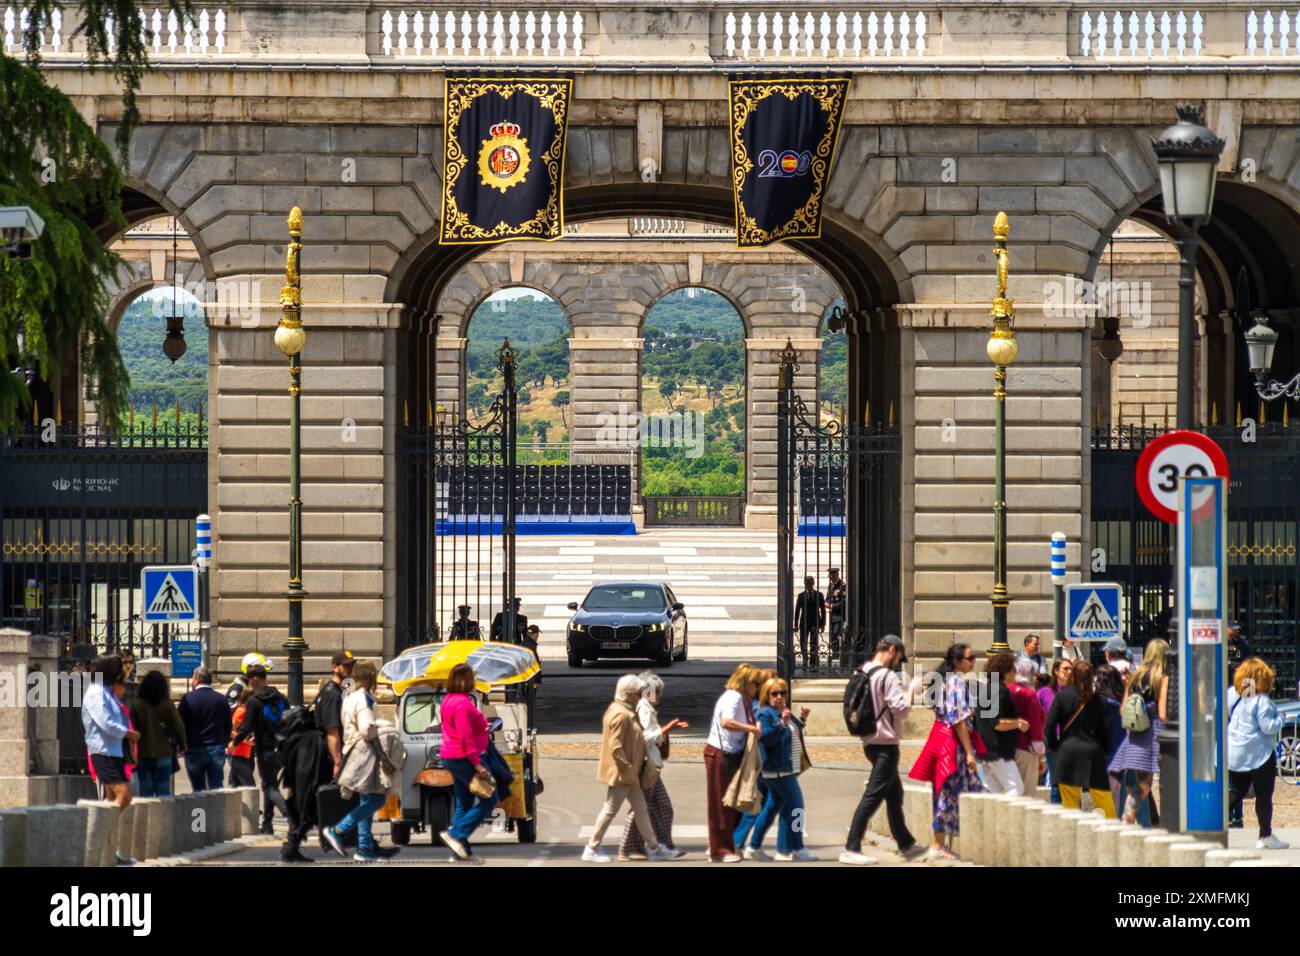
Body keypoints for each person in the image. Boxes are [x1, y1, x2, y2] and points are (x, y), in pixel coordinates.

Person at [842, 635, 925, 865]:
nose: (898, 662)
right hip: (885, 744)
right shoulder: (887, 676)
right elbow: (900, 709)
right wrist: (911, 690)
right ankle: (851, 847)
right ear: (891, 649)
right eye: (898, 656)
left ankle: (906, 843)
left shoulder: (863, 671)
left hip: (869, 741)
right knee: (873, 796)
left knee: (894, 794)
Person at [583, 675, 675, 862]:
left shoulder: (625, 711)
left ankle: (654, 848)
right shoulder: (620, 714)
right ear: (629, 694)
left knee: (641, 810)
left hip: (629, 773)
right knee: (610, 810)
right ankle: (591, 848)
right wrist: (628, 768)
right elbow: (615, 747)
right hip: (623, 773)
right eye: (639, 693)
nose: (642, 696)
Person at [908, 643, 986, 862]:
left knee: (943, 790)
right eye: (970, 658)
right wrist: (970, 753)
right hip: (953, 744)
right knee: (947, 792)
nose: (973, 662)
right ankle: (937, 844)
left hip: (940, 737)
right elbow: (959, 720)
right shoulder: (956, 684)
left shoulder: (944, 681)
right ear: (957, 662)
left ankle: (940, 843)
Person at [322, 660, 402, 862]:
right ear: (370, 677)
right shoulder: (364, 698)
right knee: (376, 799)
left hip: (354, 751)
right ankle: (338, 830)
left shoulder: (349, 697)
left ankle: (365, 848)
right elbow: (367, 728)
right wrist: (385, 728)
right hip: (366, 753)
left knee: (366, 801)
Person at [740, 677, 815, 861]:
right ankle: (797, 847)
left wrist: (802, 719)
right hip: (778, 770)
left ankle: (762, 847)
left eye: (783, 693)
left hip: (785, 768)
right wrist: (781, 724)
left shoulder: (781, 712)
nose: (779, 697)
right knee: (797, 807)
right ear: (767, 695)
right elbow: (766, 738)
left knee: (772, 808)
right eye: (775, 693)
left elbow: (792, 729)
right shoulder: (765, 714)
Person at [438, 663, 507, 862]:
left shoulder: (449, 700)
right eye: (471, 677)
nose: (474, 681)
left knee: (464, 801)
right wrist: (477, 765)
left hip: (452, 755)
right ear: (464, 680)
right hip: (464, 757)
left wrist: (481, 727)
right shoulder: (462, 704)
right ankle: (455, 834)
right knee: (489, 798)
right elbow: (465, 737)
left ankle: (460, 852)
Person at [618, 672, 687, 861]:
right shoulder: (644, 709)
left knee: (660, 807)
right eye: (657, 692)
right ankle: (631, 848)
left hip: (651, 765)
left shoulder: (644, 708)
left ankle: (660, 845)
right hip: (647, 765)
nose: (660, 696)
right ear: (648, 692)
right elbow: (644, 738)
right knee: (643, 808)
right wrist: (666, 729)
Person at [230, 664, 297, 849]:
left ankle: (291, 818)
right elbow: (290, 720)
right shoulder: (281, 698)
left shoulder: (255, 701)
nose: (248, 684)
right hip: (282, 748)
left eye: (249, 679)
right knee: (271, 784)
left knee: (268, 786)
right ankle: (267, 824)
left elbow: (246, 727)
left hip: (265, 749)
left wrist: (233, 743)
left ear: (255, 679)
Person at [704, 662, 763, 863]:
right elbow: (726, 722)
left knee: (732, 802)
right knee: (722, 803)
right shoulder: (734, 697)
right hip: (721, 753)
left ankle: (725, 845)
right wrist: (751, 729)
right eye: (755, 683)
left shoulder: (743, 699)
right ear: (745, 682)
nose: (757, 688)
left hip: (732, 753)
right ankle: (719, 850)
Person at [1228, 658, 1288, 850]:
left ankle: (1210, 821)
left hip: (1237, 751)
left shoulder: (1234, 695)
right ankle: (1265, 834)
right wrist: (1280, 719)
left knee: (1236, 792)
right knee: (1264, 795)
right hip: (1259, 754)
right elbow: (1268, 727)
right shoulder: (1262, 701)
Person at [1108, 639, 1168, 825]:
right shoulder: (1162, 677)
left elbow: (1123, 708)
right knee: (1162, 781)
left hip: (1136, 734)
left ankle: (1127, 818)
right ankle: (1138, 819)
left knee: (1141, 783)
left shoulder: (1135, 675)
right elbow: (1164, 712)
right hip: (1156, 733)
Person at [1045, 660, 1116, 817]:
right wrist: (1103, 751)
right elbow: (1107, 732)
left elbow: (1049, 728)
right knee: (1104, 801)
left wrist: (1056, 747)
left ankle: (1070, 839)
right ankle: (1111, 834)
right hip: (1093, 754)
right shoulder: (1100, 700)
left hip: (1067, 753)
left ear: (1072, 675)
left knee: (1070, 808)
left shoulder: (1061, 697)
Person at [82, 654, 140, 826]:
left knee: (112, 799)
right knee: (124, 795)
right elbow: (105, 722)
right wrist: (128, 733)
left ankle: (108, 843)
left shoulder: (107, 692)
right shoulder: (96, 692)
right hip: (102, 751)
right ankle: (97, 829)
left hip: (114, 751)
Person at [734, 666, 779, 857]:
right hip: (764, 762)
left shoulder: (758, 706)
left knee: (757, 801)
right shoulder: (760, 709)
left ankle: (739, 841)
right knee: (766, 802)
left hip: (762, 761)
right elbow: (765, 736)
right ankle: (748, 843)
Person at [978, 652, 1031, 795]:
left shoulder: (988, 689)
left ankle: (988, 817)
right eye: (1013, 669)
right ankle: (1005, 818)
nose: (1015, 673)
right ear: (1005, 671)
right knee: (1016, 788)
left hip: (987, 749)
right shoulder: (999, 690)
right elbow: (997, 723)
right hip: (999, 750)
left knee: (991, 791)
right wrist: (1018, 723)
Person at [129, 669, 187, 798]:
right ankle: (162, 817)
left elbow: (131, 729)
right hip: (163, 753)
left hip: (143, 754)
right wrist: (182, 745)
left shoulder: (136, 705)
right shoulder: (167, 704)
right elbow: (179, 726)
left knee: (145, 793)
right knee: (164, 793)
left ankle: (147, 818)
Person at [178, 666, 232, 792]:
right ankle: (216, 812)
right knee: (216, 786)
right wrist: (224, 741)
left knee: (198, 788)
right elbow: (227, 724)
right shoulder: (221, 699)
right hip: (216, 746)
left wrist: (181, 744)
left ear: (196, 679)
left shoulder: (188, 698)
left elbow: (180, 723)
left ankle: (200, 811)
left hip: (193, 747)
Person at [1009, 658, 1047, 796]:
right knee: (1027, 794)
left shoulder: (1007, 690)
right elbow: (1035, 726)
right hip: (1026, 749)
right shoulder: (1028, 694)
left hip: (1007, 749)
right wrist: (1041, 756)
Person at [316, 650, 354, 781]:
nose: (349, 669)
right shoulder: (332, 694)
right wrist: (337, 761)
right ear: (335, 667)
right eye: (345, 665)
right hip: (328, 755)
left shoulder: (336, 690)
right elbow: (332, 730)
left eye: (351, 665)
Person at [1039, 657, 1073, 802]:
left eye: (1071, 669)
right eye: (1066, 669)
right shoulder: (1044, 692)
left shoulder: (1075, 692)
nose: (1069, 672)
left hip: (1072, 743)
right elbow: (1038, 717)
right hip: (1053, 743)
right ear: (1055, 671)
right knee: (1056, 782)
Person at [794, 576, 826, 670]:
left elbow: (823, 610)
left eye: (811, 583)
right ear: (805, 584)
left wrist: (823, 624)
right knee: (803, 641)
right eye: (807, 583)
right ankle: (805, 658)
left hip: (815, 622)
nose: (809, 585)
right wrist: (796, 624)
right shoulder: (801, 595)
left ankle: (813, 661)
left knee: (814, 642)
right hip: (804, 622)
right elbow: (797, 611)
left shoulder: (819, 595)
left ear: (814, 583)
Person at [227, 688, 256, 787]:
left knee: (234, 786)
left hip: (244, 754)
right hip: (238, 753)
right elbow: (230, 730)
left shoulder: (248, 711)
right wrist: (246, 741)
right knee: (250, 787)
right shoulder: (241, 711)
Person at [826, 567, 847, 662]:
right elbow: (827, 597)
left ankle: (837, 652)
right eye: (830, 577)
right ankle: (835, 652)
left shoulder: (842, 586)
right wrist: (826, 602)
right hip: (832, 615)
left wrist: (833, 606)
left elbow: (844, 601)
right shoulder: (830, 586)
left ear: (837, 575)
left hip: (839, 615)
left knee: (836, 632)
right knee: (832, 634)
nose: (831, 578)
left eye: (832, 576)